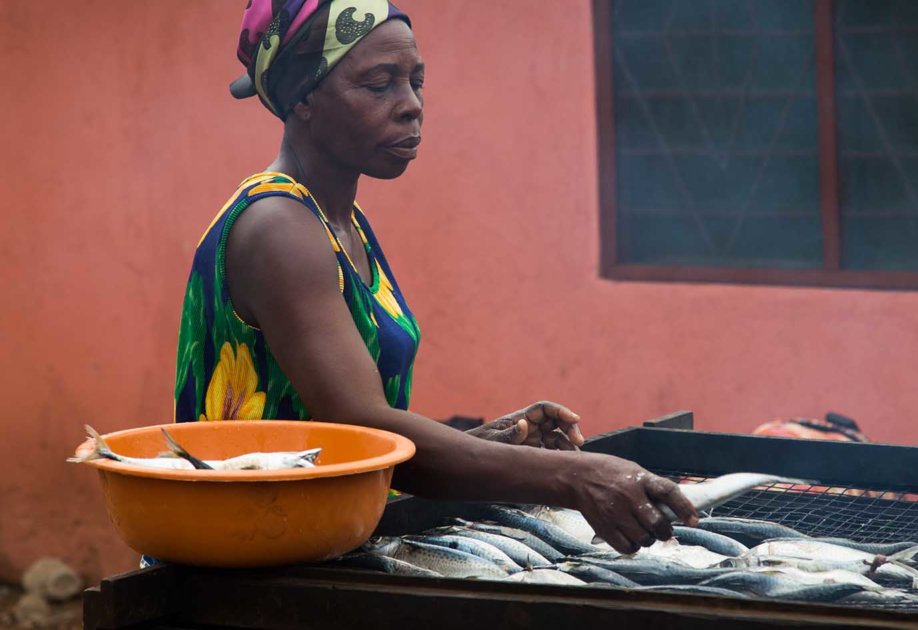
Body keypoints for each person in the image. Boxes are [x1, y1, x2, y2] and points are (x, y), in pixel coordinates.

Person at [172, 0, 696, 554]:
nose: (411, 106)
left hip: (305, 545)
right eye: (380, 84)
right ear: (303, 95)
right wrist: (575, 477)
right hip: (240, 559)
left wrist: (485, 445)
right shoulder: (278, 227)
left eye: (416, 81)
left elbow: (359, 439)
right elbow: (363, 428)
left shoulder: (341, 222)